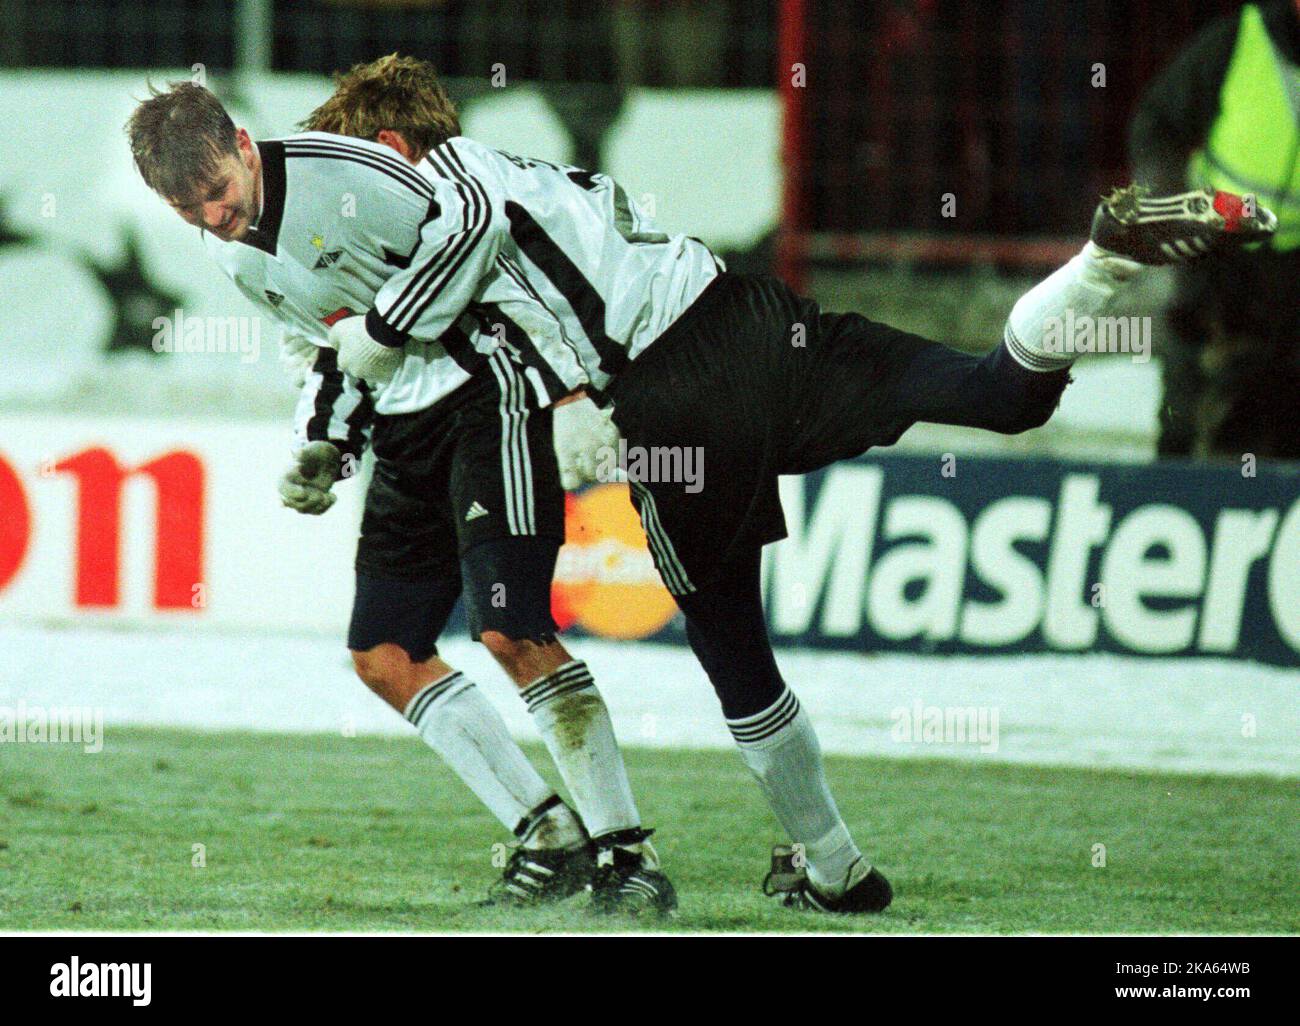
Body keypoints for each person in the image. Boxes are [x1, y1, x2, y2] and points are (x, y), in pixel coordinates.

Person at [125, 65, 675, 915]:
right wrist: (323, 443)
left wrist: (556, 387)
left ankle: (628, 857)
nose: (211, 219)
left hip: (493, 397)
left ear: (243, 144)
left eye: (216, 193)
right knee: (384, 658)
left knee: (509, 631)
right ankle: (548, 839)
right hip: (406, 430)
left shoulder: (343, 173)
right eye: (187, 210)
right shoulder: (230, 250)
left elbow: (478, 233)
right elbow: (324, 348)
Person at [1130, 0, 1300, 458]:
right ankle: (1173, 506)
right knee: (1189, 409)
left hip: (1292, 276)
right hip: (1215, 257)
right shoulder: (1237, 41)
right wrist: (1172, 213)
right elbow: (1156, 125)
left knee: (1282, 425)